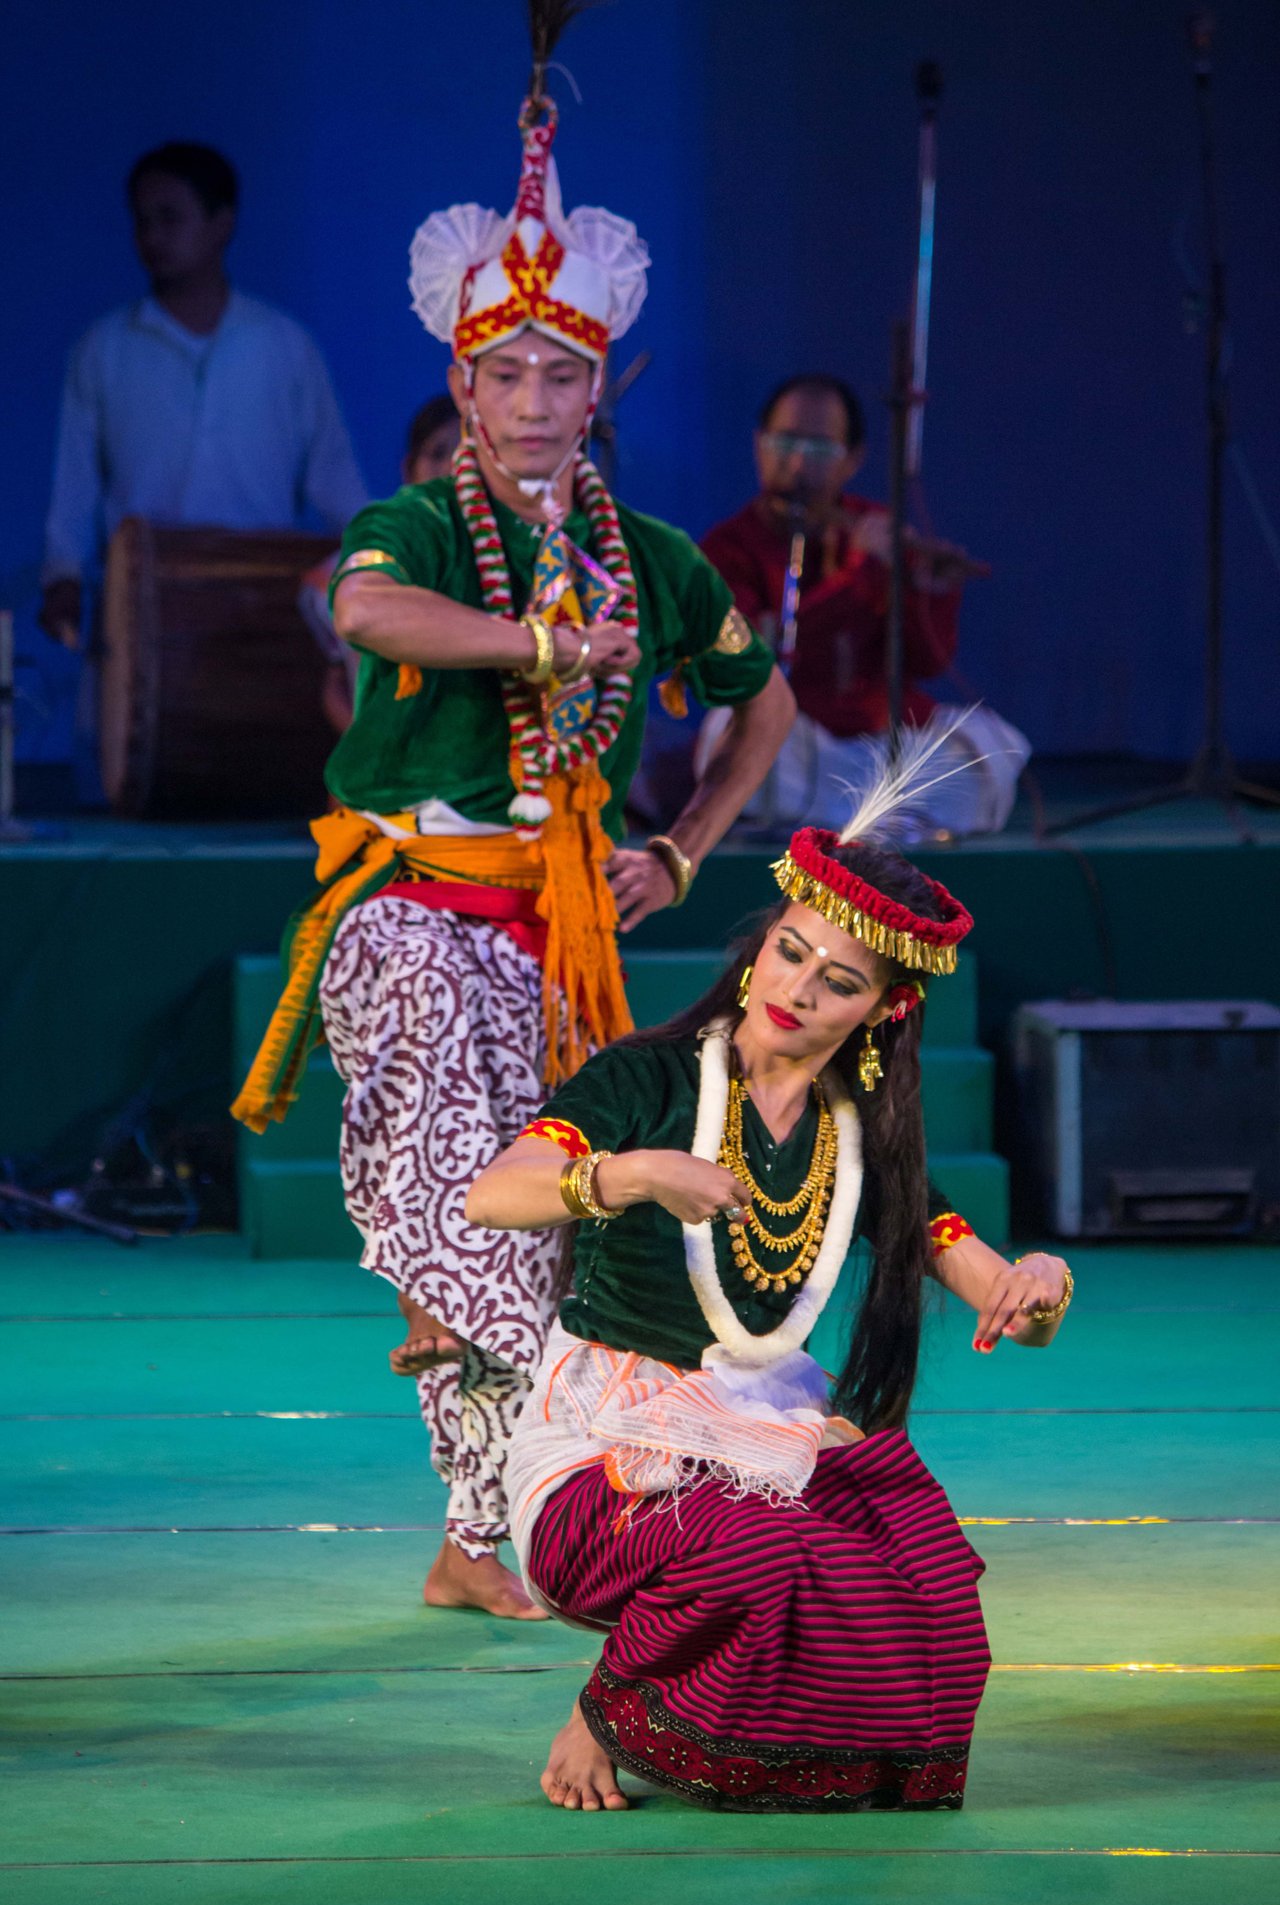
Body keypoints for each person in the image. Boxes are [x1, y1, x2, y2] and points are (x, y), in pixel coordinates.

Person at [232, 28, 794, 1623]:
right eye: (504, 375)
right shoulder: (416, 522)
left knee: (551, 1226)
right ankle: (515, 1499)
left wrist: (684, 847)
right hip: (413, 913)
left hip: (565, 942)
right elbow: (368, 612)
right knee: (461, 1214)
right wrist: (542, 646)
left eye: (560, 374)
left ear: (598, 387)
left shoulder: (656, 557)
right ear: (459, 387)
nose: (533, 401)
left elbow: (762, 704)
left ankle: (485, 1538)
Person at [468, 770, 1073, 1811]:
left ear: (886, 1007)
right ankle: (602, 1714)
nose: (798, 988)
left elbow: (993, 1288)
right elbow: (494, 1193)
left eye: (839, 981)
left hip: (757, 1435)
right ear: (759, 950)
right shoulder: (649, 1080)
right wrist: (632, 1174)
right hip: (604, 1463)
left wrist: (1038, 1284)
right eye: (788, 952)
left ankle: (811, 1760)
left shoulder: (857, 1141)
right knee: (762, 1541)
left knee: (924, 1564)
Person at [39, 141, 366, 650]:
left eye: (170, 218)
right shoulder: (104, 349)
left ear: (222, 223)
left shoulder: (281, 346)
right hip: (142, 608)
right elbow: (75, 485)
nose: (152, 237)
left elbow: (334, 476)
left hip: (261, 608)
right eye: (142, 221)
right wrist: (64, 575)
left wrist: (372, 557)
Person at [699, 373, 1029, 838]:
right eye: (784, 443)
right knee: (725, 736)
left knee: (992, 745)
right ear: (759, 445)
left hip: (880, 746)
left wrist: (929, 594)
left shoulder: (874, 528)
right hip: (795, 741)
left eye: (820, 450)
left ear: (852, 460)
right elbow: (758, 656)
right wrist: (856, 576)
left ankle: (839, 815)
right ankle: (882, 816)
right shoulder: (728, 547)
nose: (798, 464)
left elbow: (928, 663)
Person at [300, 395, 462, 732]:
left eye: (466, 457)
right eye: (437, 454)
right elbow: (337, 690)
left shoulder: (504, 561)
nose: (451, 469)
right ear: (409, 469)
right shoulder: (363, 560)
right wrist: (371, 748)